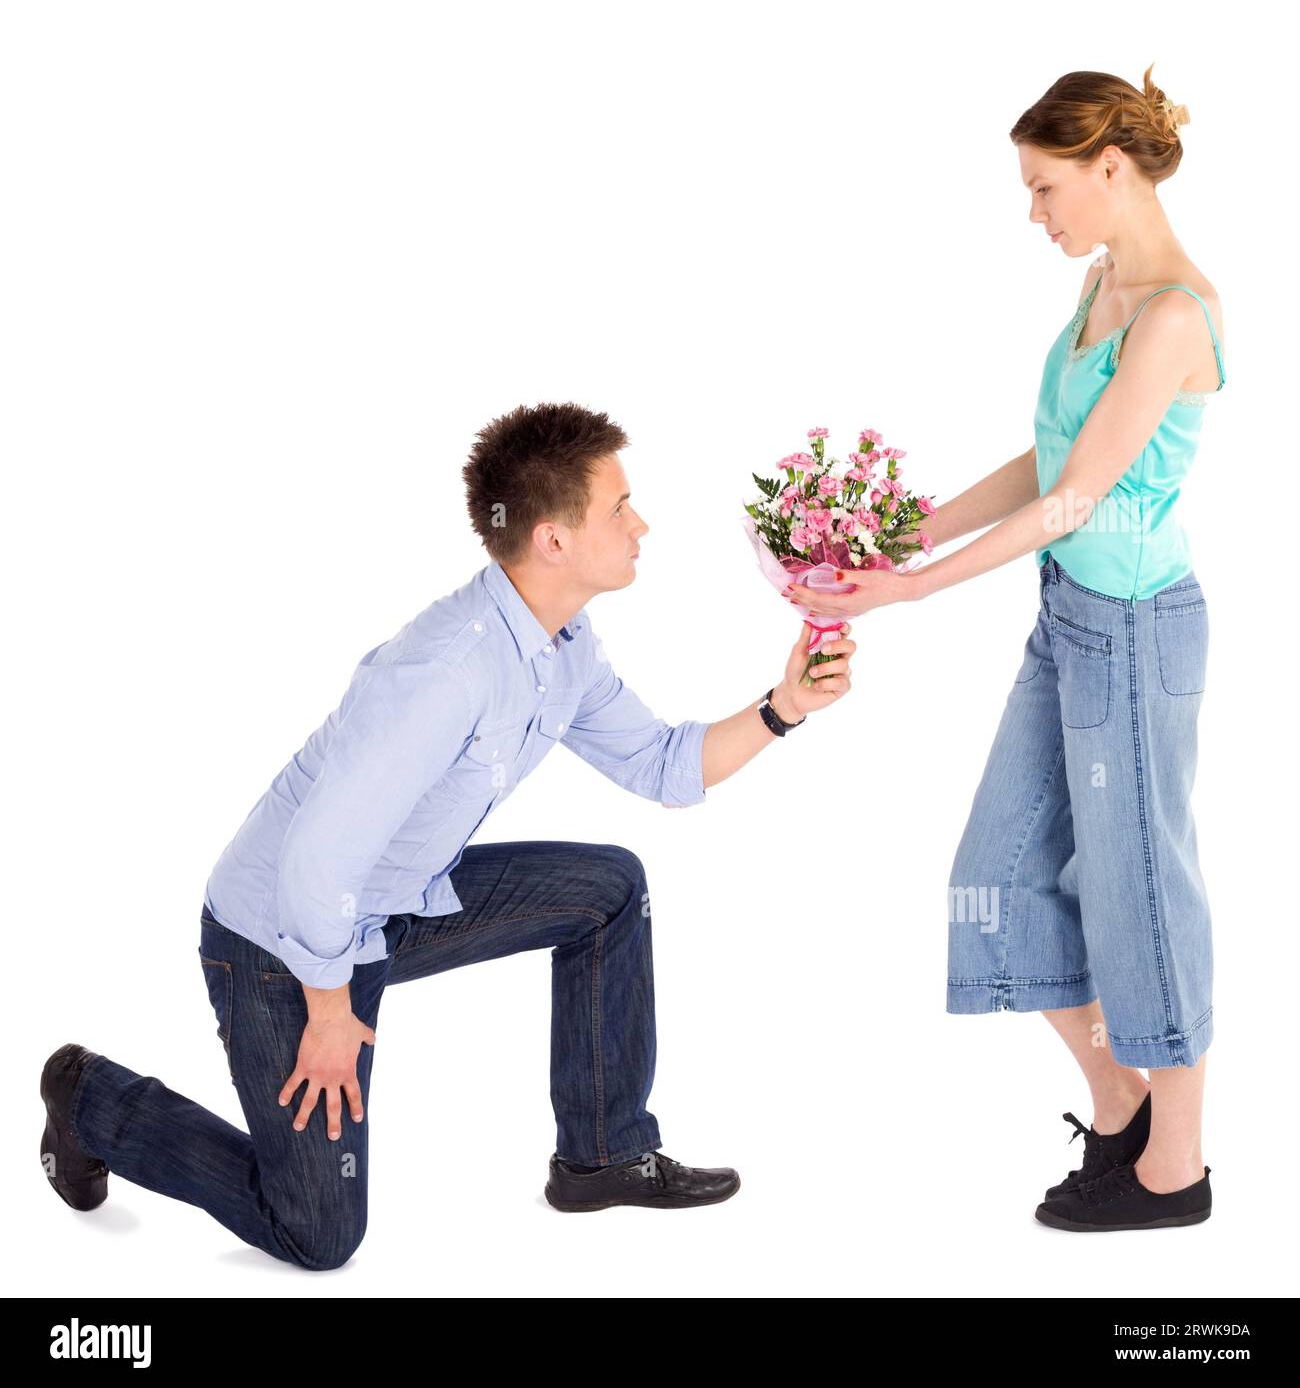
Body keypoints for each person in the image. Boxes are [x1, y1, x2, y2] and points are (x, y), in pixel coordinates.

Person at [39, 401, 856, 1269]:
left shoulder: (562, 644)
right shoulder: (448, 671)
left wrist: (785, 707)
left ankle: (603, 1154)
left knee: (609, 889)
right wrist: (329, 1007)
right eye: (620, 507)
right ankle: (90, 1097)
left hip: (394, 902)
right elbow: (316, 864)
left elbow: (662, 764)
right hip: (282, 940)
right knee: (316, 1233)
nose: (641, 523)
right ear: (551, 540)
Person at [774, 65, 1221, 1231]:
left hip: (1131, 634)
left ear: (1109, 168)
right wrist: (906, 528)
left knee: (1139, 896)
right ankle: (1116, 1095)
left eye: (1044, 187)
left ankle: (1176, 1165)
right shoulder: (1100, 286)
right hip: (1067, 618)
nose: (1036, 212)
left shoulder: (1175, 312)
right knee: (988, 880)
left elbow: (1079, 499)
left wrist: (912, 589)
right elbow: (1047, 457)